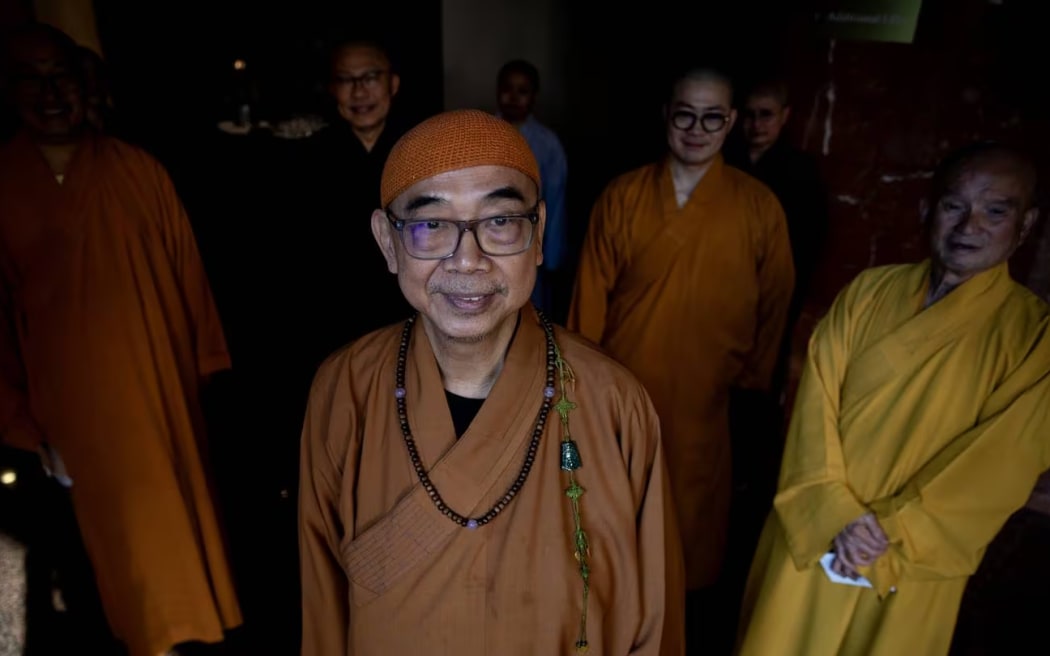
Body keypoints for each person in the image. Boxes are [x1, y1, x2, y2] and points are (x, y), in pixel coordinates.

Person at [298, 109, 685, 655]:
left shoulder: (612, 402)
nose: (468, 259)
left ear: (539, 235)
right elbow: (322, 604)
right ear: (388, 242)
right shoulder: (344, 389)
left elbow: (657, 617)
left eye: (500, 222)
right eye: (431, 225)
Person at [735, 142, 1050, 656]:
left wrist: (888, 530)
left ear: (1026, 224)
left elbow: (1003, 462)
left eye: (996, 211)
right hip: (813, 525)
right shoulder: (868, 292)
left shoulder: (1035, 337)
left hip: (908, 557)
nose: (970, 226)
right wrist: (835, 512)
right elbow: (813, 404)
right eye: (955, 205)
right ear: (927, 210)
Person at [0, 23, 241, 656]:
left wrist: (206, 370)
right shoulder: (3, 184)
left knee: (177, 545)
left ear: (85, 86)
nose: (50, 93)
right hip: (71, 416)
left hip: (161, 393)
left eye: (63, 76)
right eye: (32, 77)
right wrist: (20, 422)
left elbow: (191, 278)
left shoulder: (140, 170)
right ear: (9, 89)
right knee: (105, 567)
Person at [568, 66, 794, 651]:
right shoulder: (621, 195)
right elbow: (588, 297)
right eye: (685, 115)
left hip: (706, 400)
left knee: (691, 521)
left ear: (733, 122)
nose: (698, 129)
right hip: (624, 392)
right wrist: (579, 386)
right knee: (615, 512)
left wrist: (750, 387)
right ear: (666, 116)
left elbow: (775, 306)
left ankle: (675, 629)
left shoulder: (758, 206)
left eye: (713, 117)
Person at [496, 59, 569, 319]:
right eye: (507, 88)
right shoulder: (483, 134)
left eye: (523, 91)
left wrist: (550, 257)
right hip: (490, 236)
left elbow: (556, 200)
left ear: (534, 97)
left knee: (531, 313)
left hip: (529, 242)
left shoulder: (548, 144)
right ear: (497, 90)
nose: (514, 97)